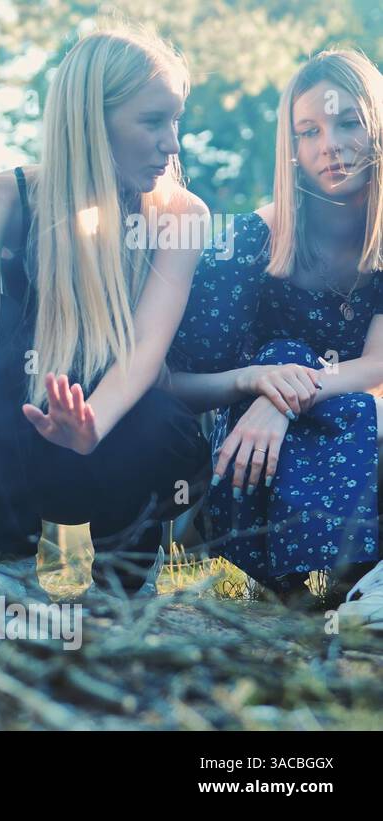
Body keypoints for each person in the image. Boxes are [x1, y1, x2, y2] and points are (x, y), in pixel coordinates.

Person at [0, 26, 211, 603]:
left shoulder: (182, 216)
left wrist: (91, 424)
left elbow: (147, 343)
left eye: (176, 121)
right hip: (19, 421)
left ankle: (112, 576)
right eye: (153, 122)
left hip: (109, 418)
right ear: (92, 121)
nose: (172, 144)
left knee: (160, 425)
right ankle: (5, 558)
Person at [168, 49, 383, 627]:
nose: (330, 146)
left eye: (348, 123)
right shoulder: (247, 246)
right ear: (291, 147)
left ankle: (362, 579)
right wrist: (258, 383)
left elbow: (377, 365)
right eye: (308, 131)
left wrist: (284, 395)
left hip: (356, 422)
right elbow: (177, 381)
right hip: (251, 457)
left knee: (350, 399)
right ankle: (287, 569)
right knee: (282, 354)